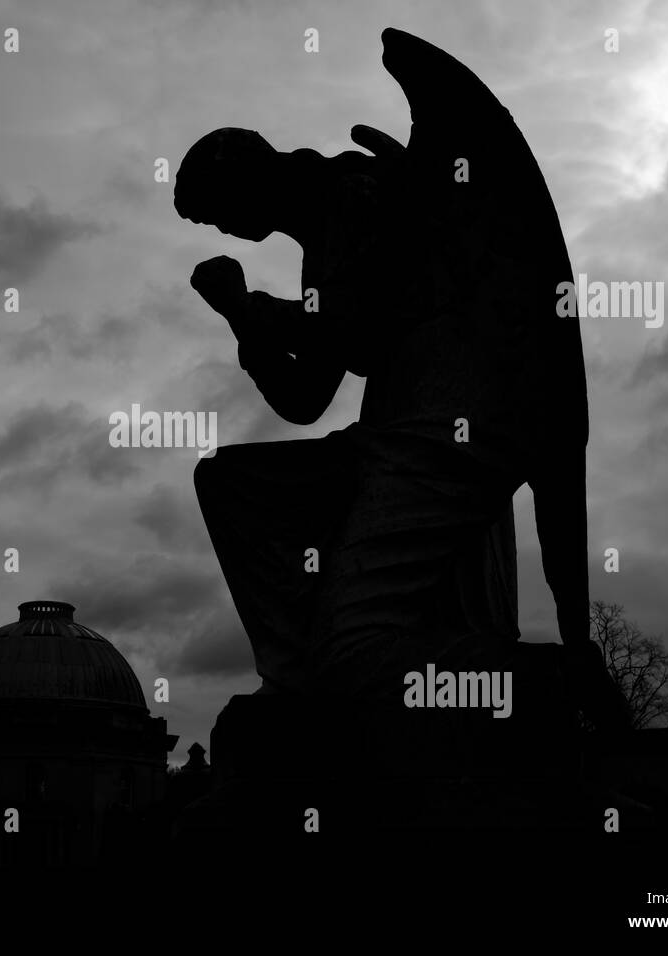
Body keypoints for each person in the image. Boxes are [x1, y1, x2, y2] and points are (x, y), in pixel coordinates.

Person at [176, 29, 626, 729]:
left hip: (444, 440)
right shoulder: (320, 238)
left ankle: (553, 681)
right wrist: (244, 323)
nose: (228, 231)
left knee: (355, 659)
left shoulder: (356, 191)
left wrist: (253, 310)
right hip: (389, 438)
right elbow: (304, 400)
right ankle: (300, 679)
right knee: (230, 486)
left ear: (248, 176)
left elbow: (348, 328)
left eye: (220, 213)